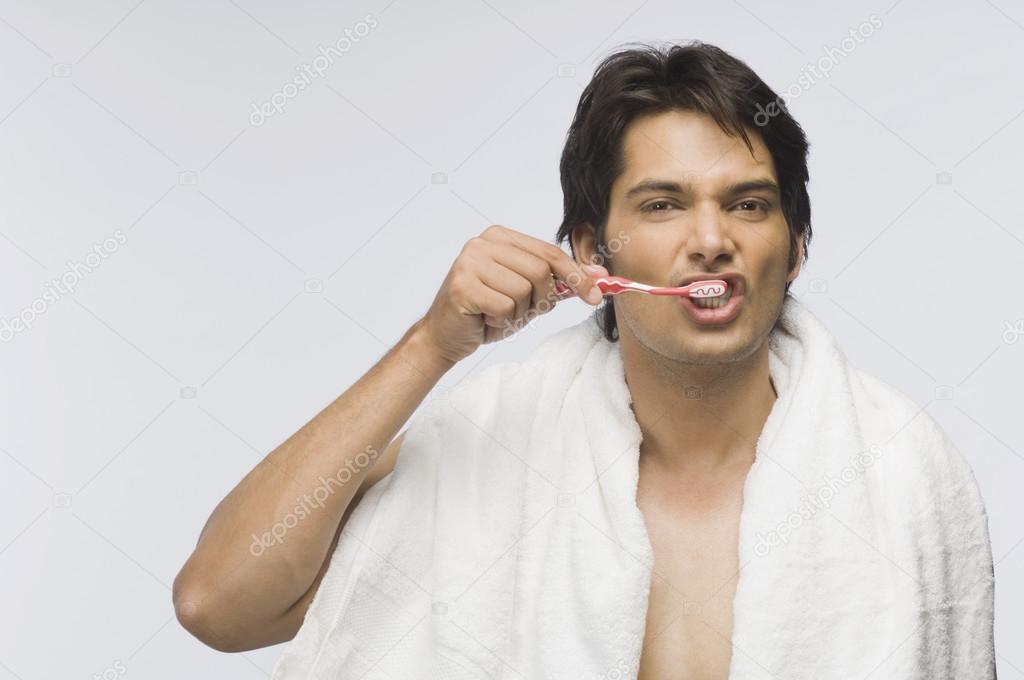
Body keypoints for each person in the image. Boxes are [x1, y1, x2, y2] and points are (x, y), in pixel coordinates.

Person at [172, 42, 987, 679]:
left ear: (797, 248)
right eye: (663, 205)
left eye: (748, 203)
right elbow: (217, 603)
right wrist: (431, 346)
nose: (711, 240)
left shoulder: (900, 471)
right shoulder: (490, 451)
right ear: (595, 251)